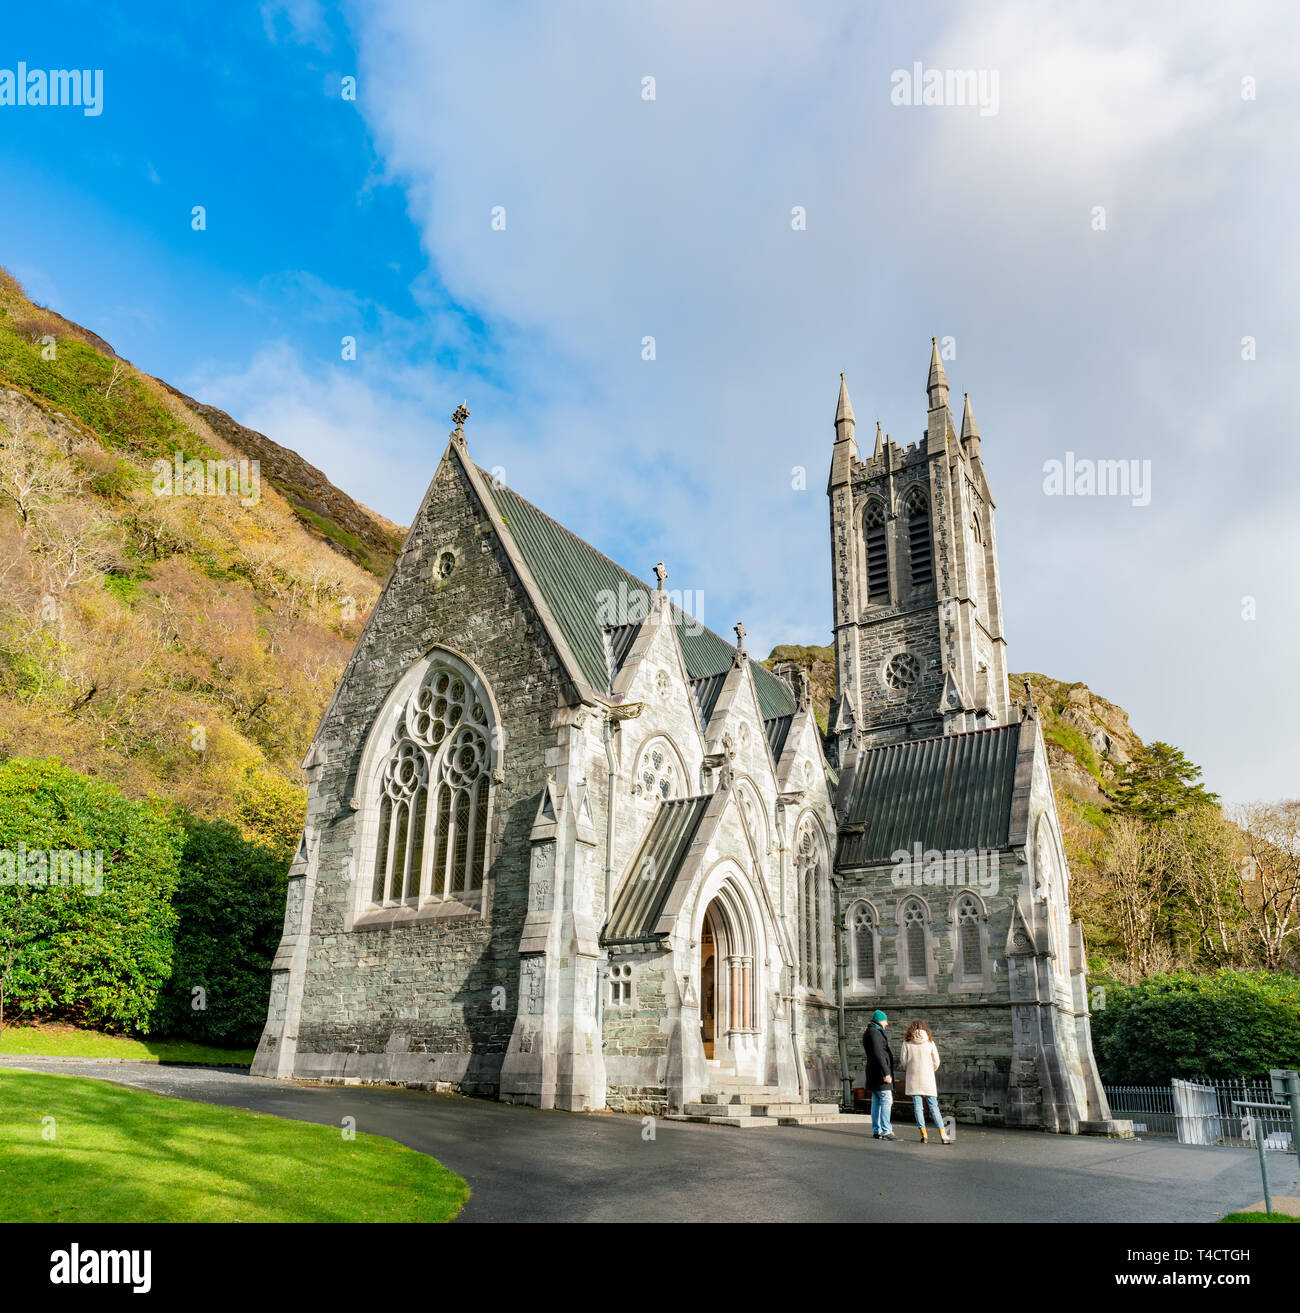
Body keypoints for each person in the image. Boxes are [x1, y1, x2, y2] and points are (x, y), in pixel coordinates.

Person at [900, 1021, 950, 1144]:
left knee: (918, 1107)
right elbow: (936, 1061)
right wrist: (930, 1069)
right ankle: (943, 1135)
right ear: (925, 1029)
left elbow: (903, 1061)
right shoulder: (930, 1042)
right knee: (934, 1107)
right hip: (928, 1078)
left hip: (914, 1078)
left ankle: (924, 1134)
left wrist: (911, 1069)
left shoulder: (907, 1043)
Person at [862, 1009, 897, 1140]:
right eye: (885, 1021)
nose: (887, 1024)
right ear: (880, 1020)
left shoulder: (870, 1032)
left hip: (874, 1073)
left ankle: (878, 1130)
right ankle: (886, 1130)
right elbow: (879, 1054)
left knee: (876, 1101)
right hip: (880, 1074)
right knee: (887, 1100)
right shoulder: (875, 1033)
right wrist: (886, 1072)